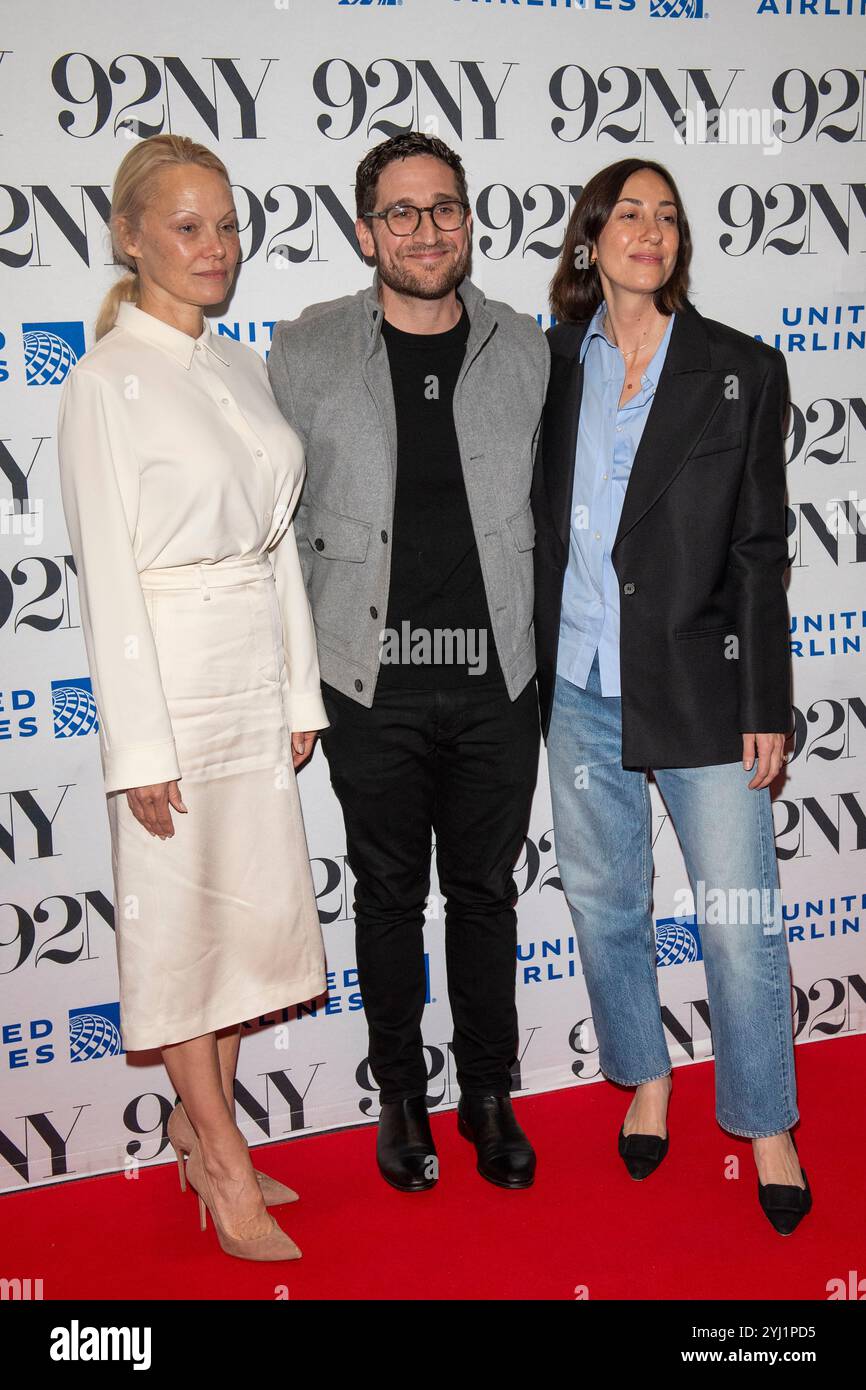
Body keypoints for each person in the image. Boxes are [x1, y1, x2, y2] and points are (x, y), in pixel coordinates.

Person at [57, 134, 328, 1261]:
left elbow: (275, 551)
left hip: (250, 673)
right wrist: (136, 747)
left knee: (234, 920)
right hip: (166, 676)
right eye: (186, 226)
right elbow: (106, 578)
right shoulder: (102, 382)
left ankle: (192, 1118)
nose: (213, 246)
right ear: (128, 236)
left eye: (225, 224)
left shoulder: (237, 365)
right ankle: (218, 1156)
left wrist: (299, 688)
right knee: (178, 927)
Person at [532, 157, 812, 1235]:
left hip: (700, 684)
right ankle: (643, 1075)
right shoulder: (552, 360)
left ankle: (764, 1119)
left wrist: (764, 700)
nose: (648, 230)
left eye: (665, 216)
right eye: (626, 214)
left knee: (737, 920)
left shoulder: (739, 367)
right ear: (589, 240)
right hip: (577, 682)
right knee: (606, 906)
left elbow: (758, 546)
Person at [268, 133, 549, 1193]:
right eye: (400, 212)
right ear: (363, 232)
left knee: (484, 898)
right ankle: (400, 1098)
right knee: (386, 899)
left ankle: (488, 1094)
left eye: (443, 209)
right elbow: (280, 535)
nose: (424, 229)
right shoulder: (304, 352)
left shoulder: (523, 348)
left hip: (495, 688)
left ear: (468, 221)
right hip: (366, 687)